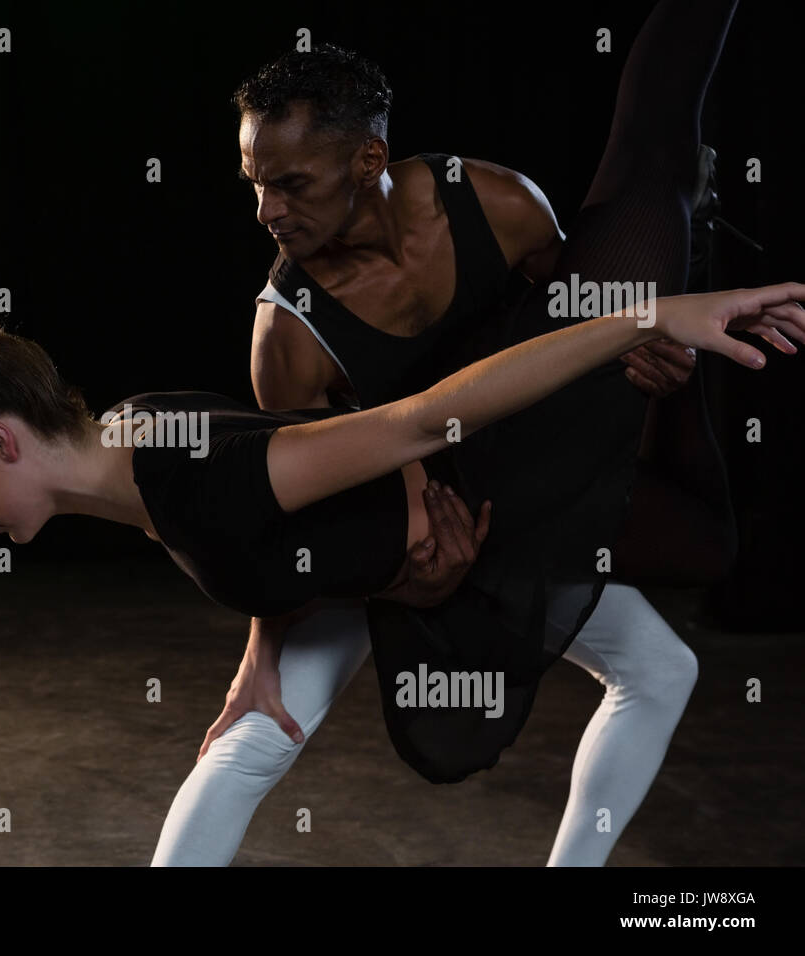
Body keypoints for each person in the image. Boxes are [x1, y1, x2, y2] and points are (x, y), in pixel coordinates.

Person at [0, 275, 802, 858]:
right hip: (364, 575)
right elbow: (267, 532)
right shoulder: (123, 439)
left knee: (660, 666)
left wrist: (649, 316)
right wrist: (258, 653)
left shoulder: (185, 476)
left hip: (473, 517)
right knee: (248, 735)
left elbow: (422, 419)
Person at [155, 0, 744, 865]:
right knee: (262, 725)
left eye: (290, 185)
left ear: (367, 160)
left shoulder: (496, 203)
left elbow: (569, 337)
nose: (265, 211)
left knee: (665, 664)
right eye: (253, 184)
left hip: (526, 484)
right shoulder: (287, 335)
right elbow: (284, 521)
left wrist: (638, 353)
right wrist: (266, 648)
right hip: (411, 544)